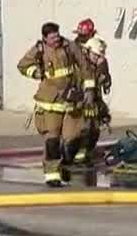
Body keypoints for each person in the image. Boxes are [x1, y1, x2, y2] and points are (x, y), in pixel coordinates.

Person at [16, 21, 96, 186]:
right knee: (52, 139)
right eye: (53, 38)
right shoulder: (39, 50)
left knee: (72, 137)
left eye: (58, 35)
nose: (56, 39)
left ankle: (66, 164)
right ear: (45, 39)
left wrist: (89, 89)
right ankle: (52, 175)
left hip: (71, 98)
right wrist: (36, 73)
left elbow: (85, 66)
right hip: (50, 101)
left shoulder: (70, 46)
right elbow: (22, 65)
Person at [73, 36, 111, 166]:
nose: (98, 58)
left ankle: (86, 154)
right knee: (85, 129)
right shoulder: (81, 66)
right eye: (96, 55)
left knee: (94, 130)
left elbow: (98, 86)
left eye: (99, 56)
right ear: (87, 51)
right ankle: (78, 155)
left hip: (93, 102)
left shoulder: (95, 65)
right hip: (82, 103)